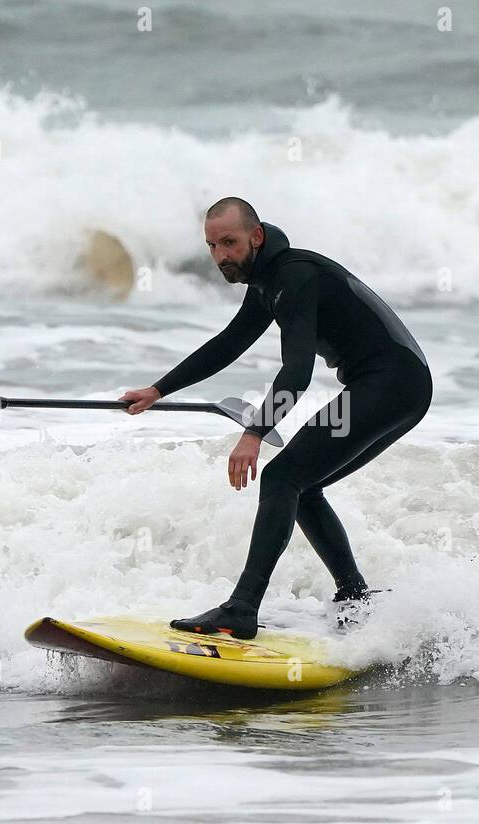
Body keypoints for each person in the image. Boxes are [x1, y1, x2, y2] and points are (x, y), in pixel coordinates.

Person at [120, 198, 431, 639]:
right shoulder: (268, 280)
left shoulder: (293, 276)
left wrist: (255, 432)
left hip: (391, 385)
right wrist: (158, 390)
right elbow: (229, 344)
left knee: (283, 477)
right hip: (395, 386)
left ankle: (242, 608)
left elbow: (298, 371)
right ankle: (354, 596)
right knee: (300, 484)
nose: (220, 256)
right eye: (212, 246)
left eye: (229, 242)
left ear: (256, 236)